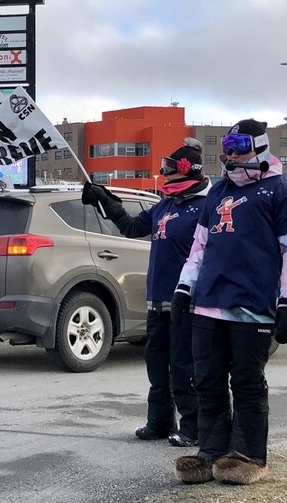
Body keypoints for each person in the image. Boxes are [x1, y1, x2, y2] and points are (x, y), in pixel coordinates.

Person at [171, 119, 287, 486]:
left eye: (238, 145)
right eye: (226, 146)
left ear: (259, 146)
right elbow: (200, 246)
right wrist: (185, 288)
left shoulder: (280, 191)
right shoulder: (217, 192)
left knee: (246, 381)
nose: (230, 153)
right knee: (208, 379)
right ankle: (211, 451)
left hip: (253, 307)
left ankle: (248, 454)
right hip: (209, 302)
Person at [82, 137, 211, 447]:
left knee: (183, 367)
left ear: (187, 170)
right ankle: (160, 421)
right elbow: (131, 226)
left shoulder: (205, 206)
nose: (163, 172)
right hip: (156, 301)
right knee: (156, 365)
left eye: (169, 167)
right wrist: (106, 199)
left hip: (186, 303)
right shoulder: (165, 204)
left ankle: (193, 426)